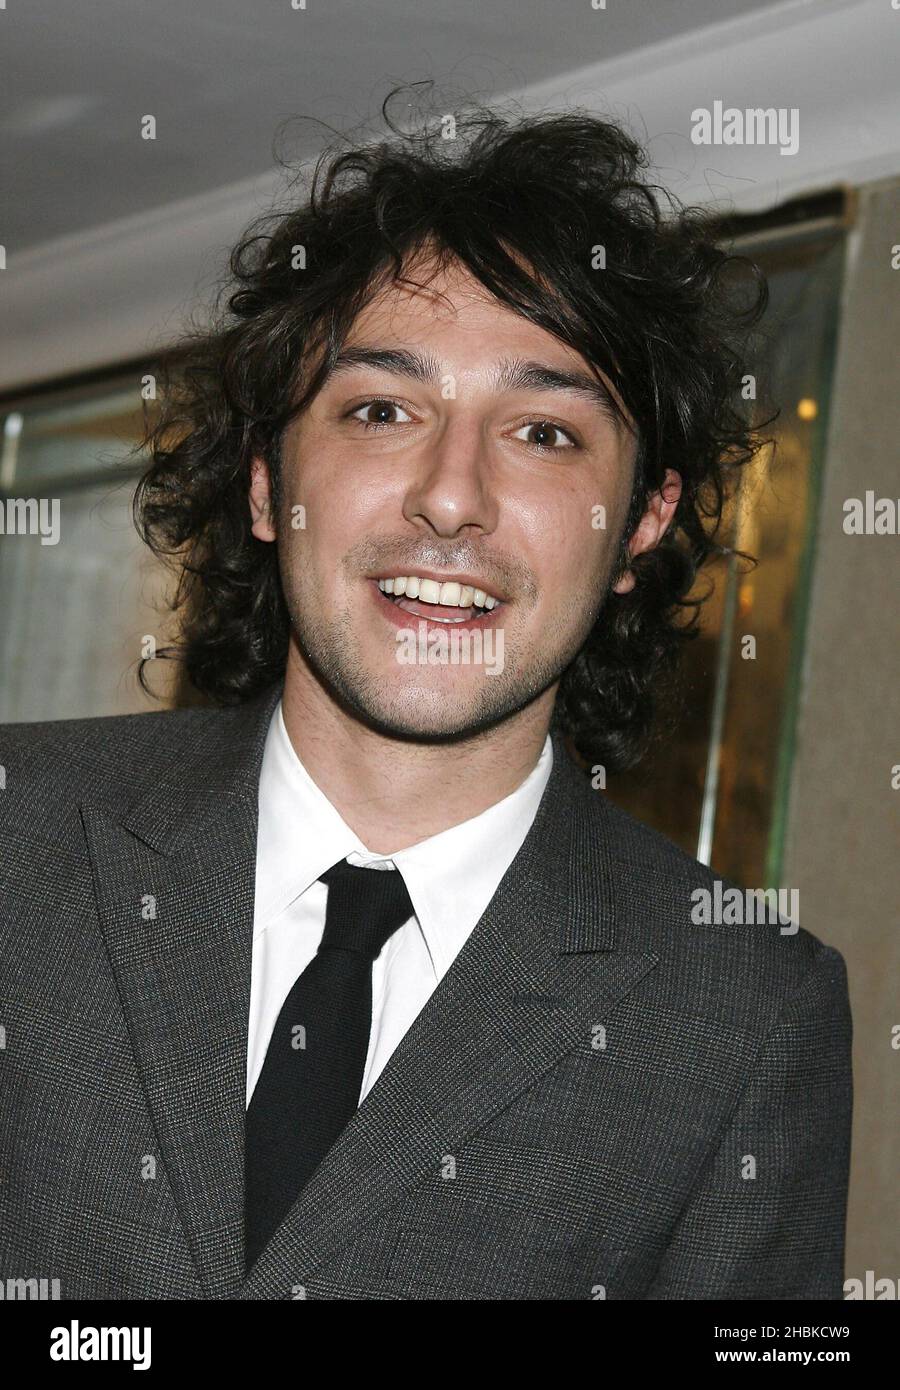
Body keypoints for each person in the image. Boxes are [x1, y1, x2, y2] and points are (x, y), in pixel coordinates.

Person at [0, 98, 852, 1300]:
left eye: (546, 432)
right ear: (264, 481)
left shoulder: (749, 1012)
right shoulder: (17, 835)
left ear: (639, 531)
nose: (451, 496)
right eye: (382, 410)